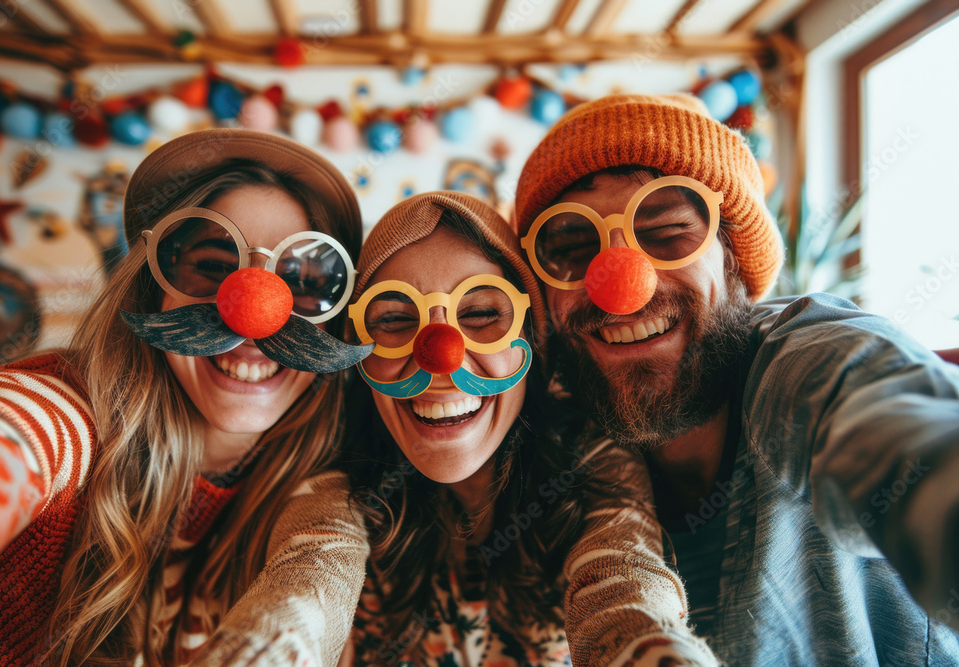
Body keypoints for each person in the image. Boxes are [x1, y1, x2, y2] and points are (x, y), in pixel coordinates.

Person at [513, 93, 959, 664]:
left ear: (732, 257)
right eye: (571, 246)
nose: (621, 284)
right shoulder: (554, 436)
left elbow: (889, 421)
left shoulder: (808, 361)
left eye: (668, 229)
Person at [0, 129, 372, 665]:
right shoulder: (62, 411)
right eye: (212, 267)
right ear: (152, 287)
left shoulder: (333, 486)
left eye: (301, 278)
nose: (252, 316)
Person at [337, 191, 717, 665]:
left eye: (480, 314)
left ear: (531, 344)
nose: (439, 355)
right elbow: (306, 586)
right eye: (393, 319)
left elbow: (623, 586)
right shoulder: (339, 485)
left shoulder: (593, 464)